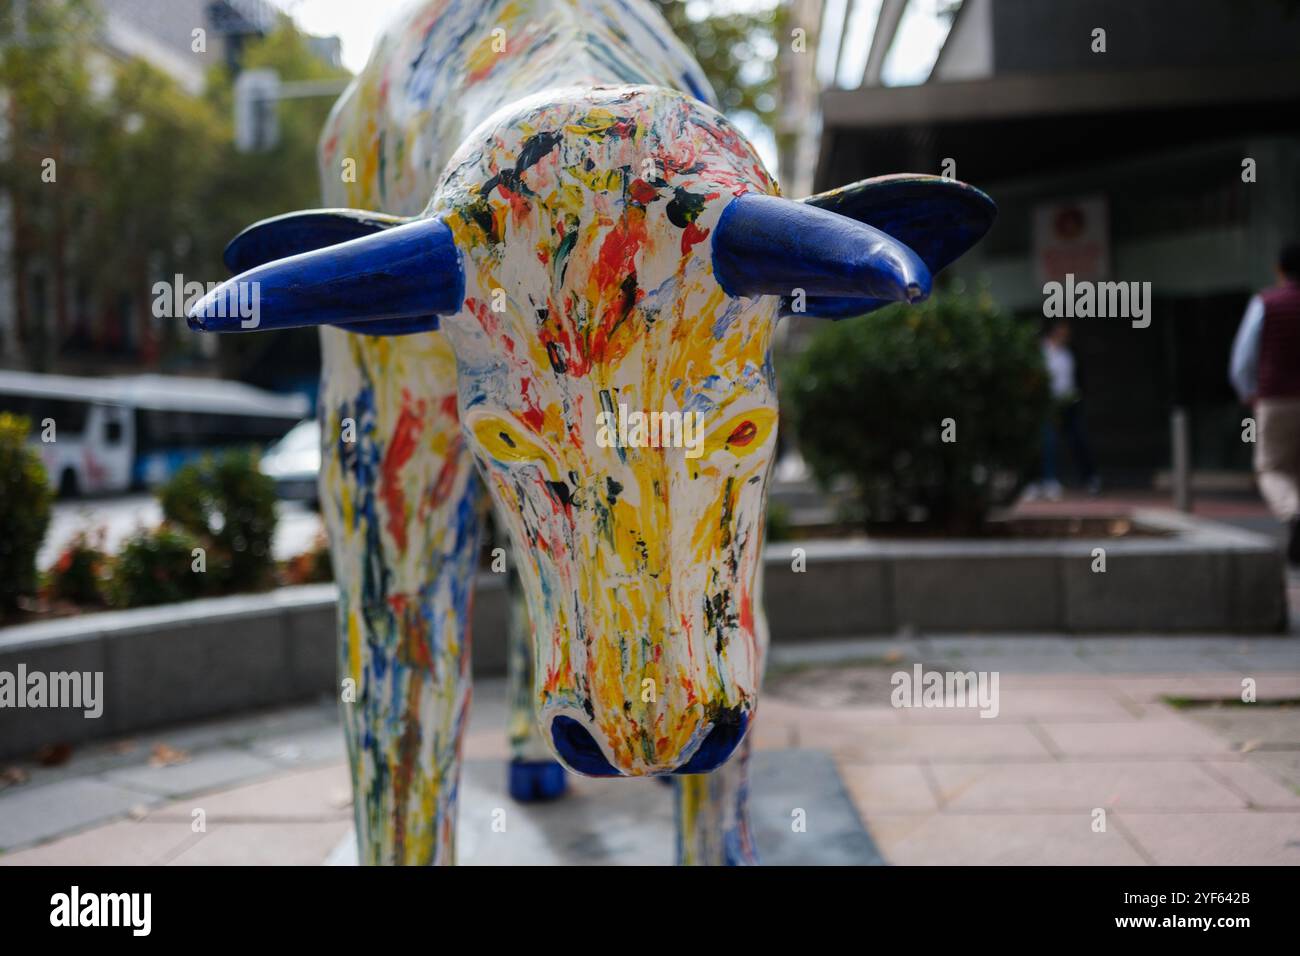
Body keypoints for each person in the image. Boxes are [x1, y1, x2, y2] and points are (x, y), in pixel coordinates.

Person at [1229, 241, 1300, 565]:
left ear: (1279, 269)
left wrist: (1247, 390)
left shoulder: (1265, 303)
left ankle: (1293, 513)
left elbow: (1243, 358)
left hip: (1275, 399)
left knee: (1271, 467)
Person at [1026, 319, 1099, 501]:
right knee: (1047, 441)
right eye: (1062, 330)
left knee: (1078, 439)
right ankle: (1045, 481)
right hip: (1048, 404)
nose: (1065, 335)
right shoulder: (1041, 351)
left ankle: (1090, 477)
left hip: (1069, 403)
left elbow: (1078, 377)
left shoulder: (1070, 352)